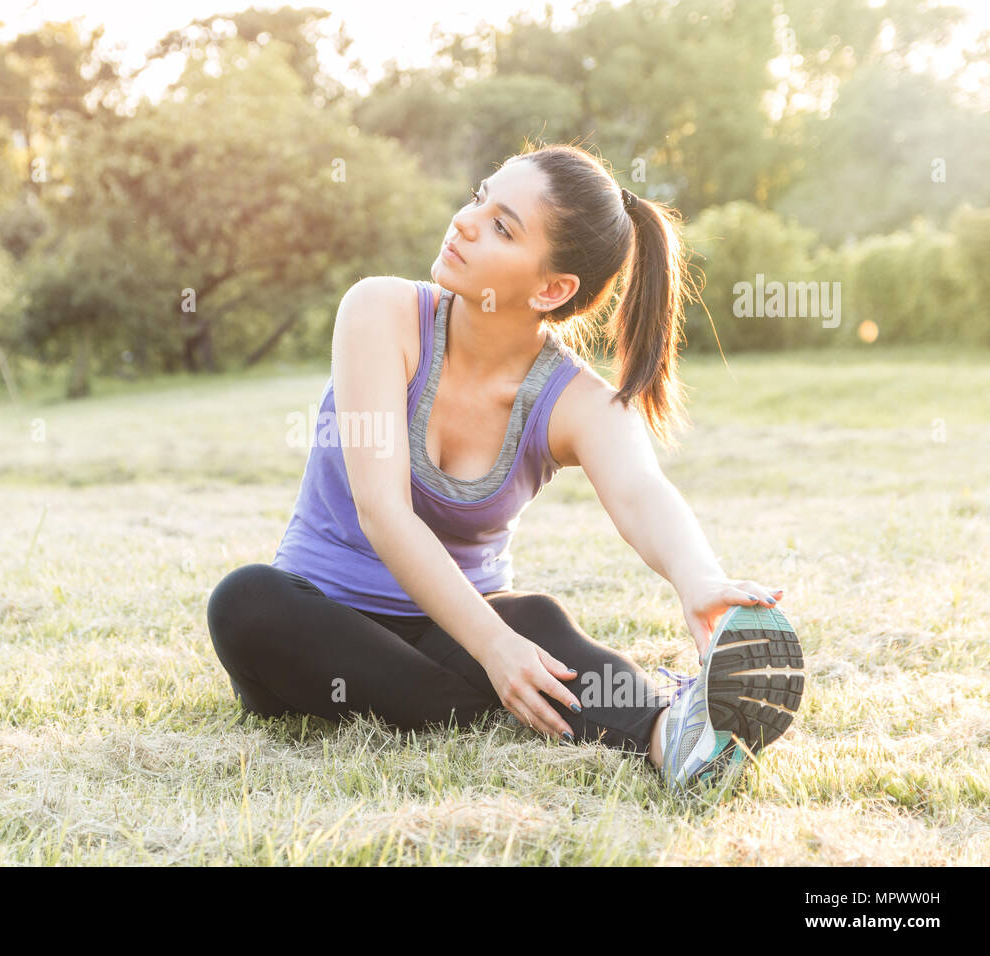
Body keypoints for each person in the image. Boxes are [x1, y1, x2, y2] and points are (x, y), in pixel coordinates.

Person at [206, 141, 804, 791]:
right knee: (244, 601)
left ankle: (673, 740)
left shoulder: (576, 400)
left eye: (501, 226)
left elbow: (641, 492)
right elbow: (381, 511)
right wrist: (494, 651)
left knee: (536, 621)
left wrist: (700, 581)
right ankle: (489, 695)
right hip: (320, 626)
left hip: (455, 631)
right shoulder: (380, 314)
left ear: (552, 288)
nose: (466, 221)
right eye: (478, 198)